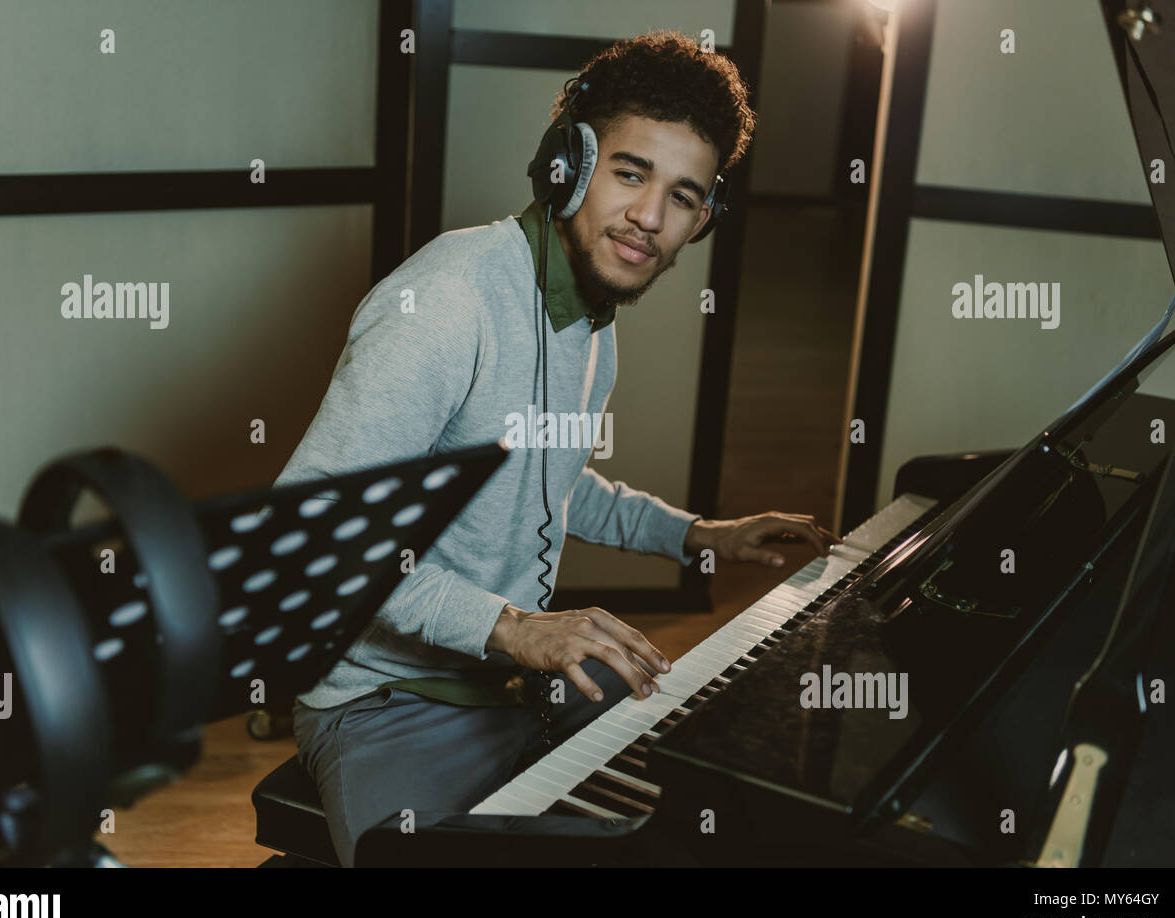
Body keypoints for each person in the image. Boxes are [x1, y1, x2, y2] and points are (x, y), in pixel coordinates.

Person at [276, 30, 839, 867]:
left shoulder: (591, 323)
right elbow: (313, 531)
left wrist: (701, 535)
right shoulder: (446, 302)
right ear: (566, 163)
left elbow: (550, 477)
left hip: (507, 677)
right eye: (630, 173)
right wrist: (512, 628)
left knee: (710, 806)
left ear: (704, 219)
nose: (650, 218)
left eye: (683, 197)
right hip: (384, 699)